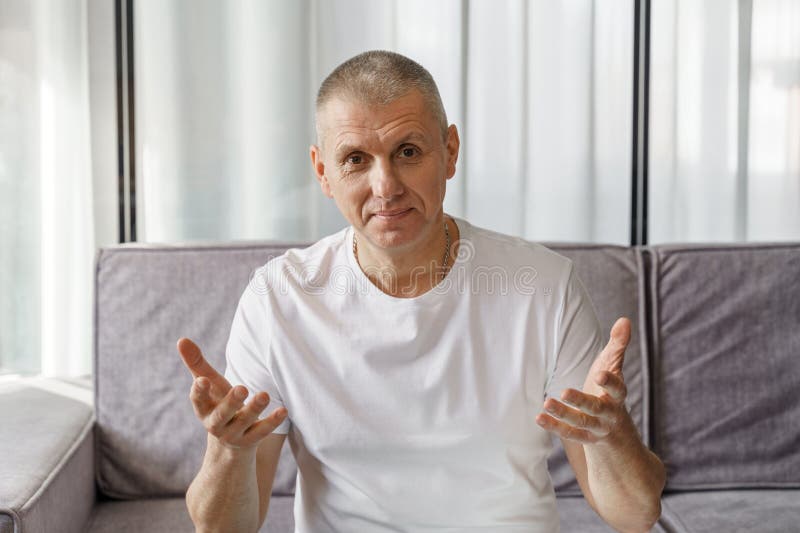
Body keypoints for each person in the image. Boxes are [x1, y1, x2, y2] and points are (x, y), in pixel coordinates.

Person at [179, 50, 666, 532]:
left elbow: (635, 514)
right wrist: (229, 449)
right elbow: (223, 528)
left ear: (450, 152)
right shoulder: (277, 300)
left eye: (408, 152)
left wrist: (612, 434)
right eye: (355, 159)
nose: (385, 186)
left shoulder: (544, 286)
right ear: (323, 172)